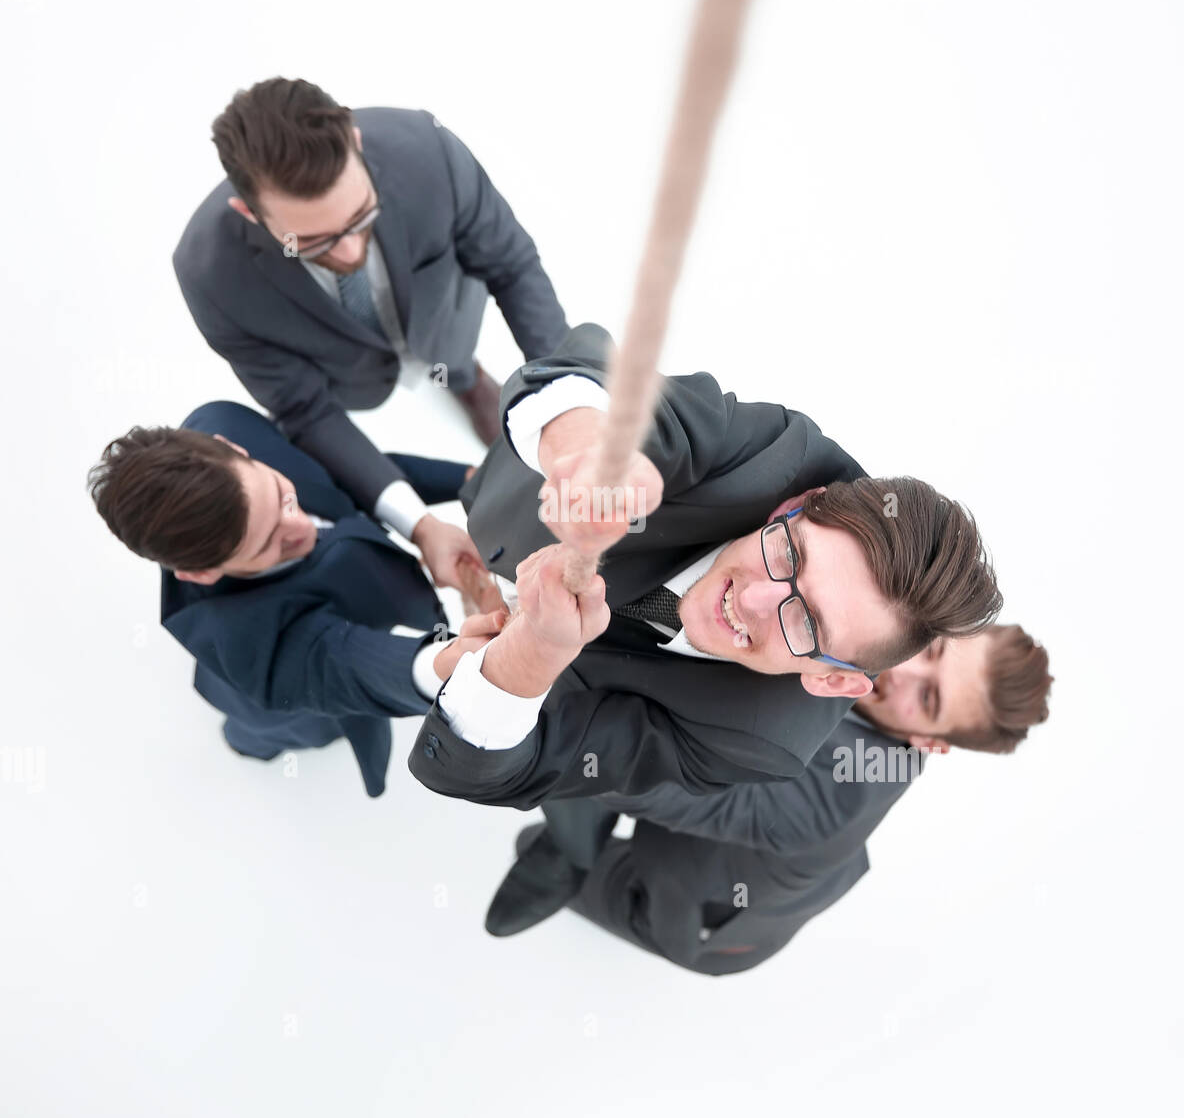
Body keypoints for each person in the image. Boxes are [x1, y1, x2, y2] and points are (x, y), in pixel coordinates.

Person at [408, 323, 1004, 815]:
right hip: (505, 507)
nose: (753, 601)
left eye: (807, 623)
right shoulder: (778, 457)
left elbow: (518, 768)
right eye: (790, 555)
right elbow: (593, 366)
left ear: (832, 680)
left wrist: (526, 661)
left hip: (463, 672)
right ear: (795, 504)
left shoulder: (759, 739)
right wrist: (585, 447)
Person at [484, 625, 1053, 971]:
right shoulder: (873, 629)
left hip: (699, 909)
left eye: (927, 700)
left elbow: (663, 780)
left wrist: (529, 700)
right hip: (762, 835)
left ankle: (575, 856)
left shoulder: (838, 797)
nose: (901, 669)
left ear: (929, 743)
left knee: (561, 807)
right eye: (929, 649)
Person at [172, 77, 569, 567]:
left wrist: (565, 404)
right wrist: (418, 524)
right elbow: (304, 411)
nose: (351, 251)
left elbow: (511, 266)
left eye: (361, 216)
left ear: (356, 146)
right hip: (351, 376)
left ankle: (467, 382)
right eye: (314, 243)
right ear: (249, 214)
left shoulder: (428, 153)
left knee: (455, 364)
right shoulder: (209, 273)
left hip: (444, 325)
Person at [88, 402, 490, 798]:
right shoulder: (250, 642)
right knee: (280, 727)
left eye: (283, 497)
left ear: (235, 448)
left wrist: (474, 480)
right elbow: (342, 663)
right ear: (202, 575)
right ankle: (248, 744)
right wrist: (447, 666)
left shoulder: (224, 419)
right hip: (280, 699)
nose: (302, 527)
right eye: (270, 545)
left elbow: (343, 474)